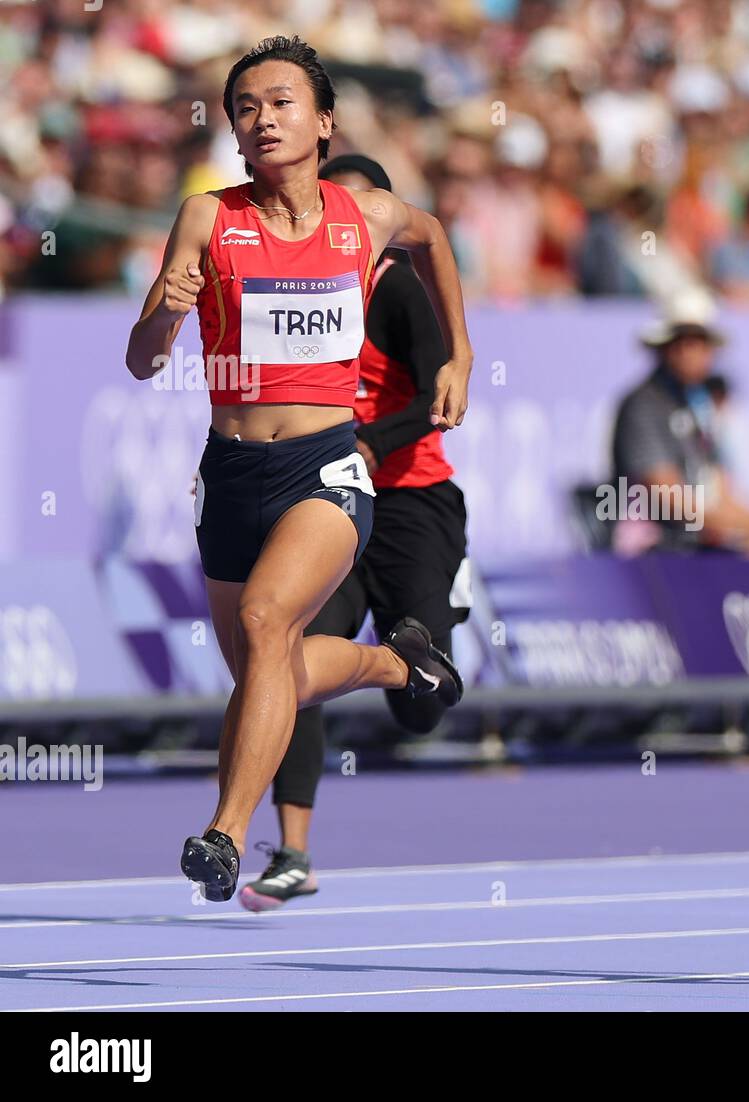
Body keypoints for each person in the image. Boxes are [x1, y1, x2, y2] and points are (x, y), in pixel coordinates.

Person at [124, 36, 473, 903]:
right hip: (231, 472)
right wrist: (163, 320)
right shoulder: (209, 216)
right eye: (246, 108)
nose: (263, 118)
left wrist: (458, 355)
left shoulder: (369, 217)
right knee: (260, 672)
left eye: (281, 102)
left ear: (323, 123)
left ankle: (226, 834)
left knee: (269, 619)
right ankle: (394, 663)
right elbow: (139, 360)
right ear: (235, 133)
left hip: (326, 468)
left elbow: (434, 240)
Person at [239, 154, 472, 911]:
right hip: (328, 502)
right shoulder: (298, 288)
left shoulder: (399, 289)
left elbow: (440, 395)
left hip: (411, 504)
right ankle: (292, 852)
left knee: (420, 712)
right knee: (283, 661)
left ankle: (414, 655)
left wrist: (369, 439)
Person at [611, 289, 749, 557]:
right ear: (669, 347)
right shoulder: (642, 406)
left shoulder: (697, 406)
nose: (698, 353)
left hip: (698, 540)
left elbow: (719, 493)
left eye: (703, 343)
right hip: (656, 550)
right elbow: (671, 502)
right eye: (688, 341)